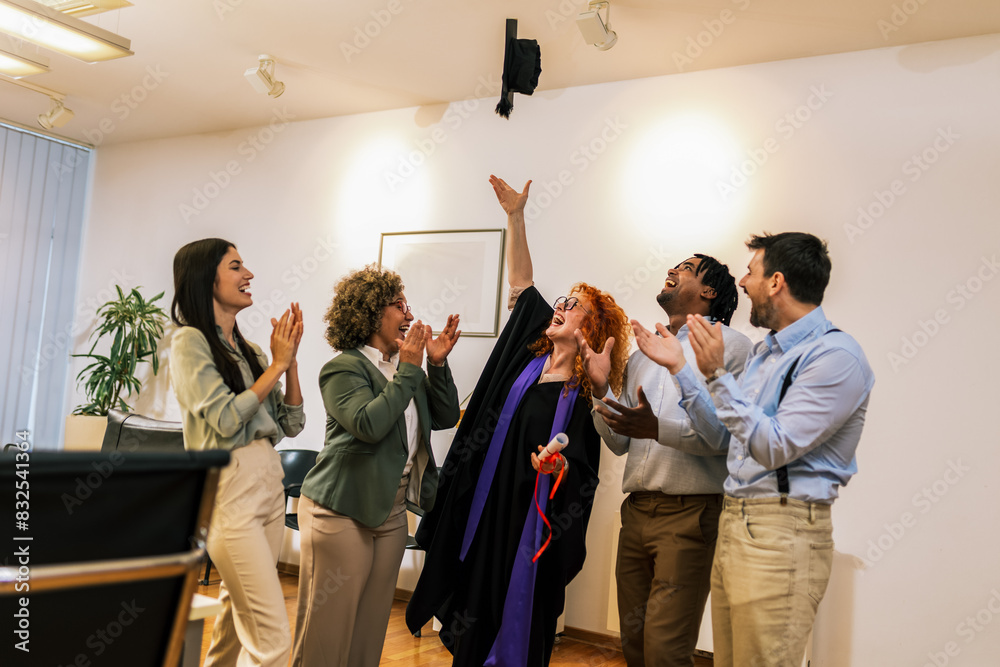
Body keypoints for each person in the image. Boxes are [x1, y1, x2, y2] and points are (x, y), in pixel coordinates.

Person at [405, 175, 632, 667]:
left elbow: (586, 466)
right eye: (562, 301)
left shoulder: (582, 391)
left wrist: (560, 469)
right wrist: (515, 216)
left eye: (573, 307)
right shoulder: (526, 360)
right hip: (487, 508)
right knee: (474, 608)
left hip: (531, 522)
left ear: (590, 329)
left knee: (517, 615)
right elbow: (522, 285)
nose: (561, 307)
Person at [633, 232, 874, 667]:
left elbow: (773, 446)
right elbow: (723, 437)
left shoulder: (835, 356)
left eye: (751, 272)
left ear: (776, 282)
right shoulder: (766, 355)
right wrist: (682, 369)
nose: (742, 283)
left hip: (781, 532)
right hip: (734, 523)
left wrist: (716, 375)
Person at [577, 255, 752, 667]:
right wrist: (601, 389)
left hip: (690, 516)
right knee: (635, 648)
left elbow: (720, 437)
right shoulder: (642, 355)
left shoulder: (731, 346)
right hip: (636, 513)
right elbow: (620, 443)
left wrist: (658, 428)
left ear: (709, 291)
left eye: (686, 268)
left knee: (665, 651)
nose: (672, 271)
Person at [291, 266, 461, 667]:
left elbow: (445, 415)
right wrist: (409, 369)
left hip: (392, 511)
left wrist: (434, 366)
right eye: (398, 304)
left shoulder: (410, 369)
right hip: (340, 511)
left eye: (408, 304)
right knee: (326, 636)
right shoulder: (344, 367)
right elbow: (369, 425)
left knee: (368, 635)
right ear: (369, 313)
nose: (408, 313)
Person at [169, 238, 305, 667]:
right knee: (272, 641)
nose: (248, 275)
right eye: (235, 266)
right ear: (205, 278)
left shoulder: (253, 352)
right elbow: (226, 420)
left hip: (269, 481)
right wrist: (277, 368)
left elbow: (290, 425)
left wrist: (291, 362)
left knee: (232, 621)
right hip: (230, 490)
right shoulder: (189, 342)